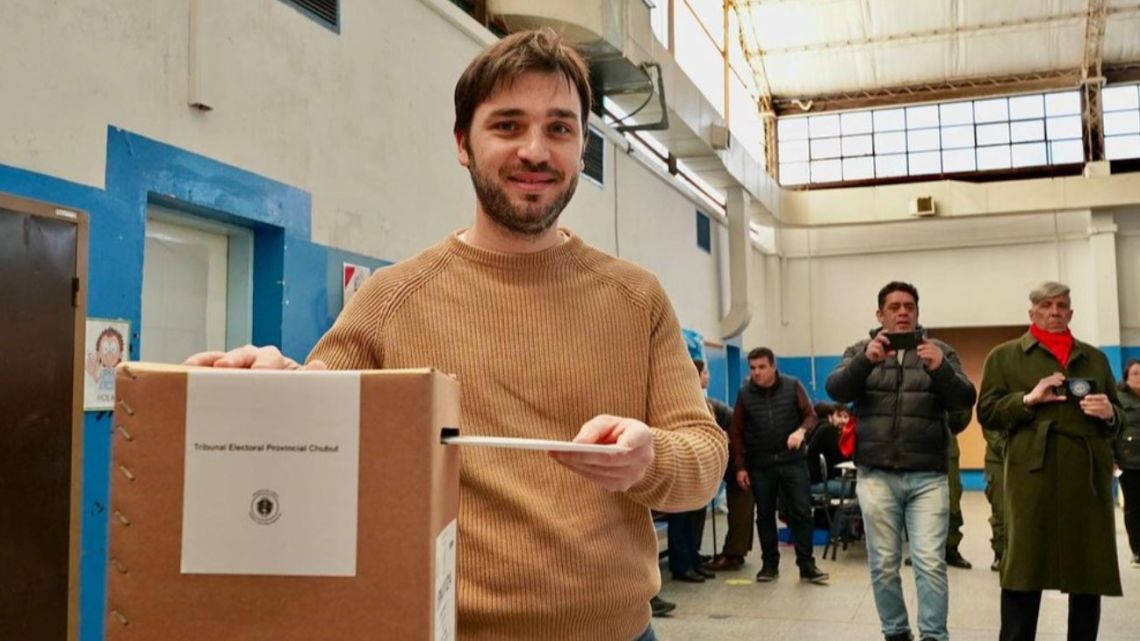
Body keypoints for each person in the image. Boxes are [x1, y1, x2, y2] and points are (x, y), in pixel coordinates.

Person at [185, 28, 727, 641]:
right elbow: (315, 429)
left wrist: (649, 457)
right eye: (507, 125)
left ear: (582, 148)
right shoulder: (391, 299)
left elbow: (705, 456)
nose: (535, 151)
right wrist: (269, 391)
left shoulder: (637, 298)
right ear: (463, 143)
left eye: (559, 128)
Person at [826, 281, 976, 641]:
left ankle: (934, 635)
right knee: (883, 564)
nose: (903, 312)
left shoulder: (940, 351)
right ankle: (895, 632)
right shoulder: (861, 351)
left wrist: (940, 369)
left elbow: (965, 399)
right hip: (876, 475)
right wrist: (865, 361)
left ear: (918, 312)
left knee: (930, 562)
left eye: (909, 306)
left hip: (928, 477)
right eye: (894, 307)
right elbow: (836, 389)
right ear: (880, 315)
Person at [978, 281, 1122, 641]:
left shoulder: (1095, 359)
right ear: (1032, 313)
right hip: (1030, 476)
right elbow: (987, 413)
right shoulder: (1004, 356)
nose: (1054, 312)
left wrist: (1110, 413)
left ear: (1071, 313)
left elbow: (1119, 420)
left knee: (1087, 571)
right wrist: (1027, 399)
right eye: (1046, 305)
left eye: (1060, 305)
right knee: (1023, 569)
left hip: (1086, 478)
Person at [730, 347, 829, 584]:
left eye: (762, 367)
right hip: (760, 464)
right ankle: (769, 565)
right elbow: (736, 432)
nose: (756, 372)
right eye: (752, 368)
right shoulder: (744, 394)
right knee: (764, 515)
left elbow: (811, 416)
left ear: (773, 367)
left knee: (801, 512)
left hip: (792, 461)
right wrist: (740, 466)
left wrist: (801, 431)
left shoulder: (793, 386)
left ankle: (807, 565)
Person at [1117, 358, 1140, 568]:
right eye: (1135, 374)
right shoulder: (1119, 399)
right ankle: (1137, 551)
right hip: (1129, 462)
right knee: (1133, 508)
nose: (1139, 378)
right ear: (1126, 378)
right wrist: (1112, 459)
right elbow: (1110, 430)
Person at [807, 402, 852, 497]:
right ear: (830, 417)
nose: (843, 420)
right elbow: (841, 457)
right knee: (860, 489)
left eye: (846, 417)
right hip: (818, 484)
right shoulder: (828, 430)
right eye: (839, 416)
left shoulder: (834, 431)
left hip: (827, 481)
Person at [981, 416, 1008, 572]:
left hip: (1025, 457)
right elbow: (989, 421)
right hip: (997, 459)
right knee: (1000, 510)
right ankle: (1000, 553)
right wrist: (1007, 447)